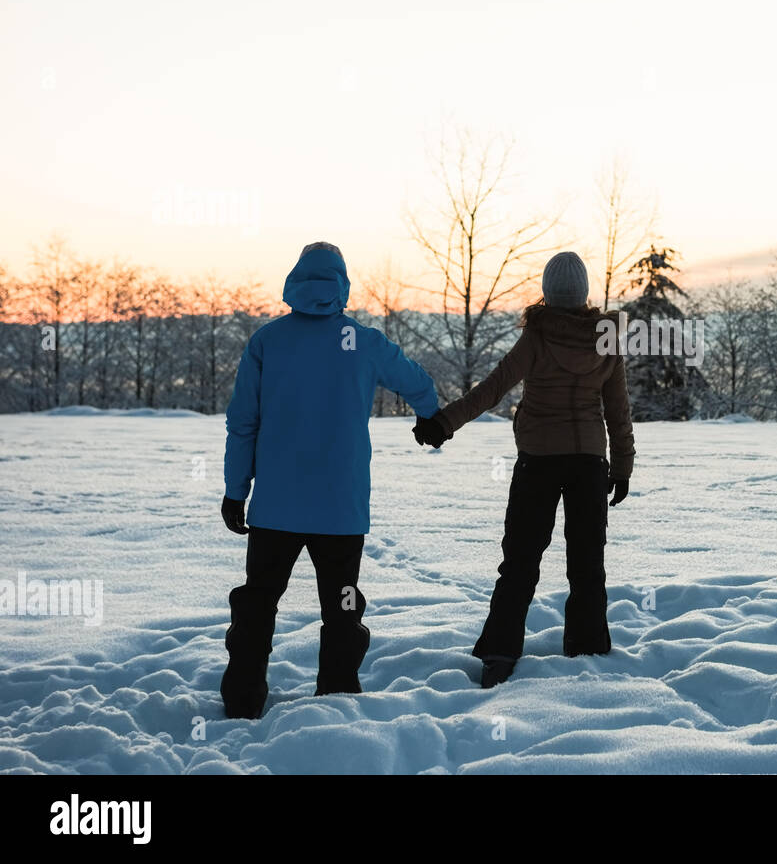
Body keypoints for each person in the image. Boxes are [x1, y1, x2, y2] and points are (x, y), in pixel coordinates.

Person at [220, 242, 442, 719]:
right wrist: (428, 419)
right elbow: (419, 384)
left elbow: (243, 422)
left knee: (258, 601)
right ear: (341, 285)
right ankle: (338, 694)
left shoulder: (267, 342)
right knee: (341, 604)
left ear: (294, 282)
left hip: (275, 508)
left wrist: (236, 489)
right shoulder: (362, 341)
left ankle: (243, 696)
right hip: (340, 510)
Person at [414, 251, 635, 688]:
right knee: (587, 561)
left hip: (538, 461)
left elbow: (493, 388)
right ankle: (588, 650)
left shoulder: (537, 337)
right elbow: (619, 411)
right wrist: (623, 466)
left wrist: (444, 423)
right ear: (584, 292)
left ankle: (499, 652)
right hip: (590, 462)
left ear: (548, 292)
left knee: (520, 561)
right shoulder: (606, 340)